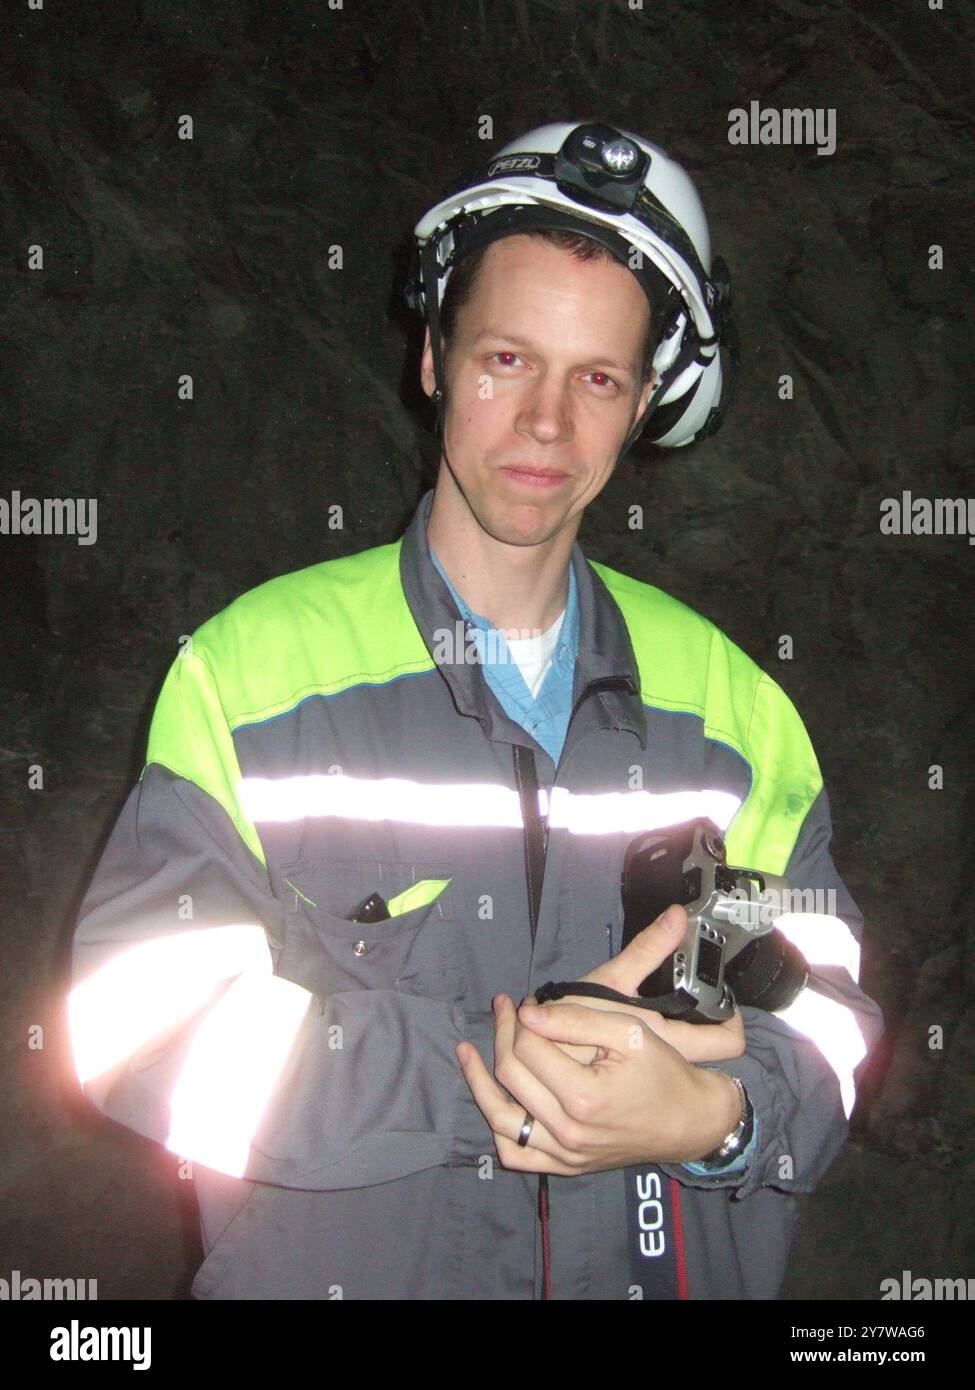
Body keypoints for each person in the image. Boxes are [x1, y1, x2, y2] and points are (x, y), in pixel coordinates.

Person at [68, 120, 884, 1300]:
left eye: (597, 377)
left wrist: (716, 1115)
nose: (547, 422)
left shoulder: (734, 708)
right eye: (507, 358)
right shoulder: (249, 673)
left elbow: (837, 1029)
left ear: (648, 400)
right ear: (436, 359)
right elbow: (140, 1027)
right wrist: (501, 1076)